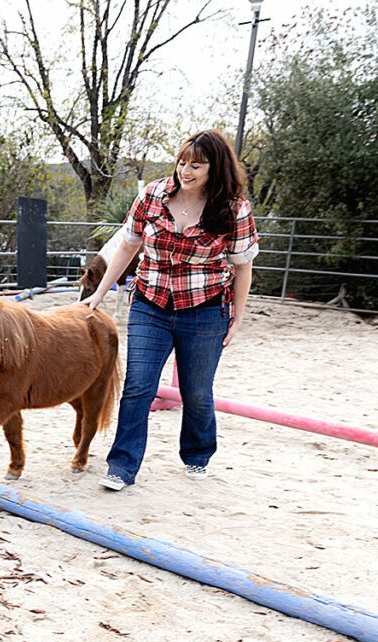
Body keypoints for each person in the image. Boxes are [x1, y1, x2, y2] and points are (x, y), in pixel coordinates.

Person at [79, 129, 258, 490]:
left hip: (206, 310)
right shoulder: (152, 196)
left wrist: (237, 317)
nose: (185, 171)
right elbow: (127, 247)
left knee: (196, 391)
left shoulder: (234, 209)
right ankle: (122, 467)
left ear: (215, 168)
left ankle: (197, 455)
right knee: (139, 385)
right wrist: (98, 293)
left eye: (196, 165)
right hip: (151, 303)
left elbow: (242, 267)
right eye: (181, 162)